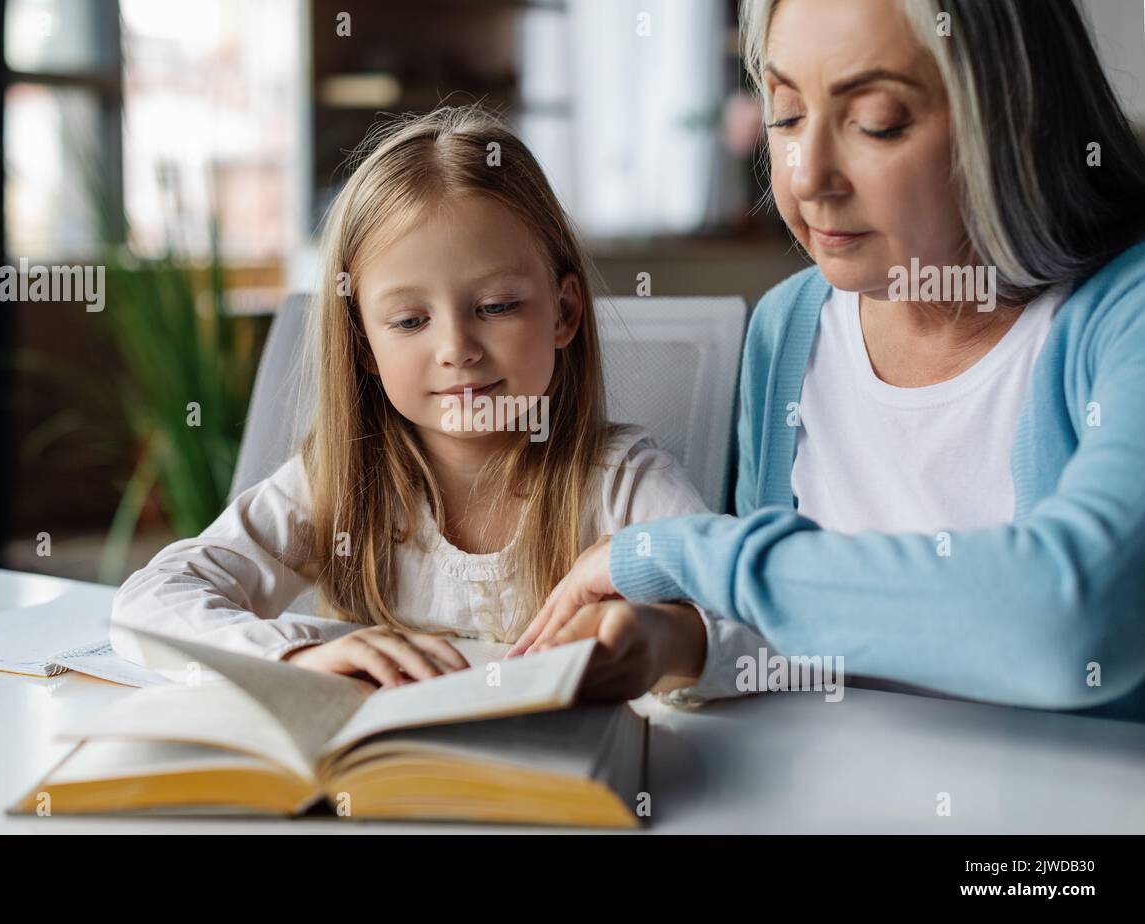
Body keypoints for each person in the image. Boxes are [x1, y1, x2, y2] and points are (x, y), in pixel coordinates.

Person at [510, 0, 1145, 721]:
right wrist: (673, 641)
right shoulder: (787, 327)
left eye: (876, 121)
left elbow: (1072, 625)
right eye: (783, 115)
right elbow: (787, 624)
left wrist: (684, 553)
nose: (808, 176)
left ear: (1014, 118)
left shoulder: (1123, 315)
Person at [110, 104, 768, 701]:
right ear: (363, 343)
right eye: (408, 321)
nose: (457, 348)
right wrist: (298, 652)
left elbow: (758, 628)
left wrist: (658, 641)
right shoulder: (336, 483)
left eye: (496, 307)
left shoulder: (624, 484)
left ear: (564, 312)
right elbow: (151, 601)